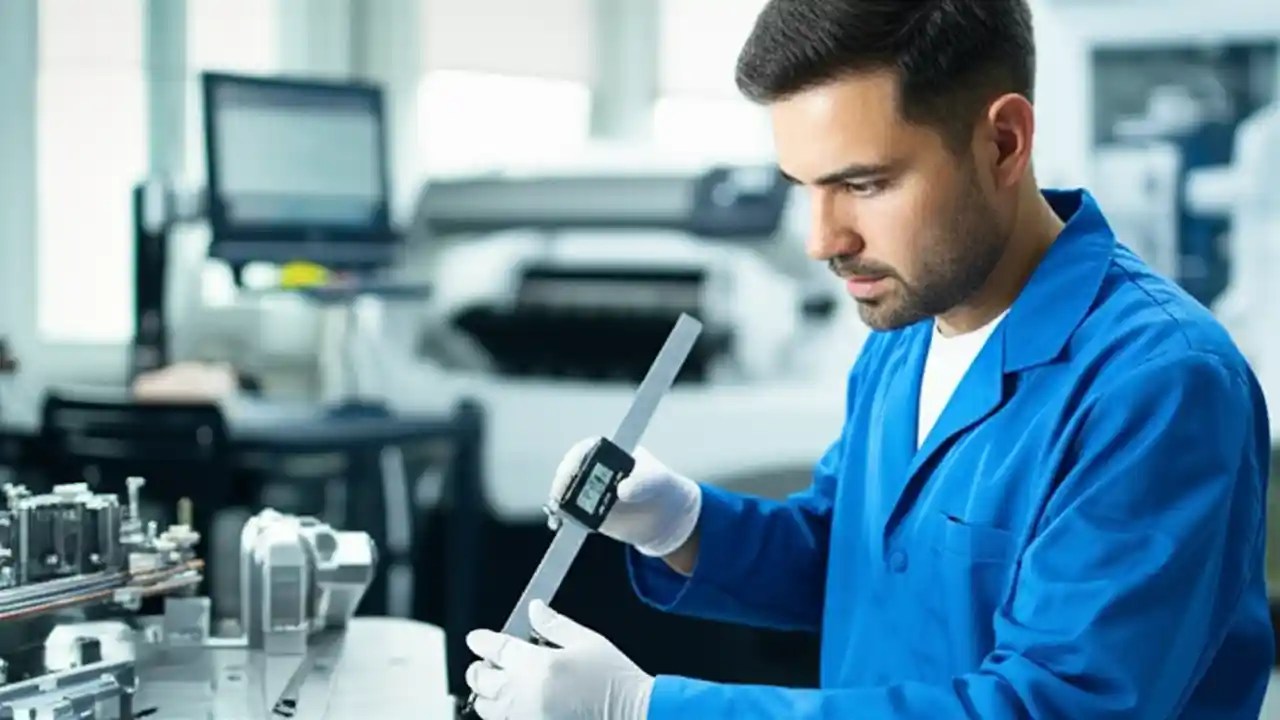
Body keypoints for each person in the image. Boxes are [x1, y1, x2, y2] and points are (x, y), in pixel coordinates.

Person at [462, 1, 1275, 718]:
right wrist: (685, 525)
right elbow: (849, 559)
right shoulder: (907, 329)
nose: (824, 240)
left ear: (1002, 142)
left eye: (865, 183)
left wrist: (645, 710)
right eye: (804, 186)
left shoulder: (1160, 386)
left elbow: (1048, 709)